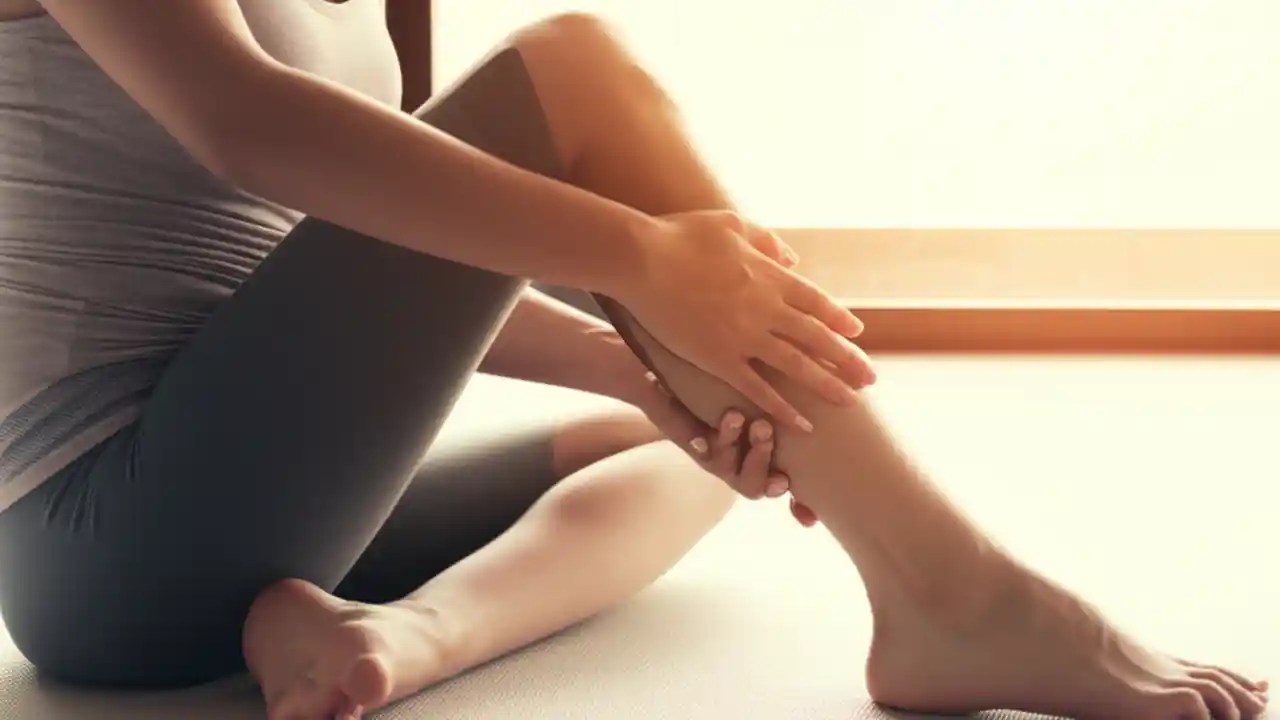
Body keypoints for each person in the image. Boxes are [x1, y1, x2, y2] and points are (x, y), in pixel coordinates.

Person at [0, 2, 1266, 719]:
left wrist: (642, 368)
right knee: (574, 72)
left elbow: (380, 270)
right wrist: (650, 261)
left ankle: (399, 638)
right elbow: (247, 128)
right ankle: (955, 590)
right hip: (113, 527)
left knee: (696, 447)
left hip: (244, 505)